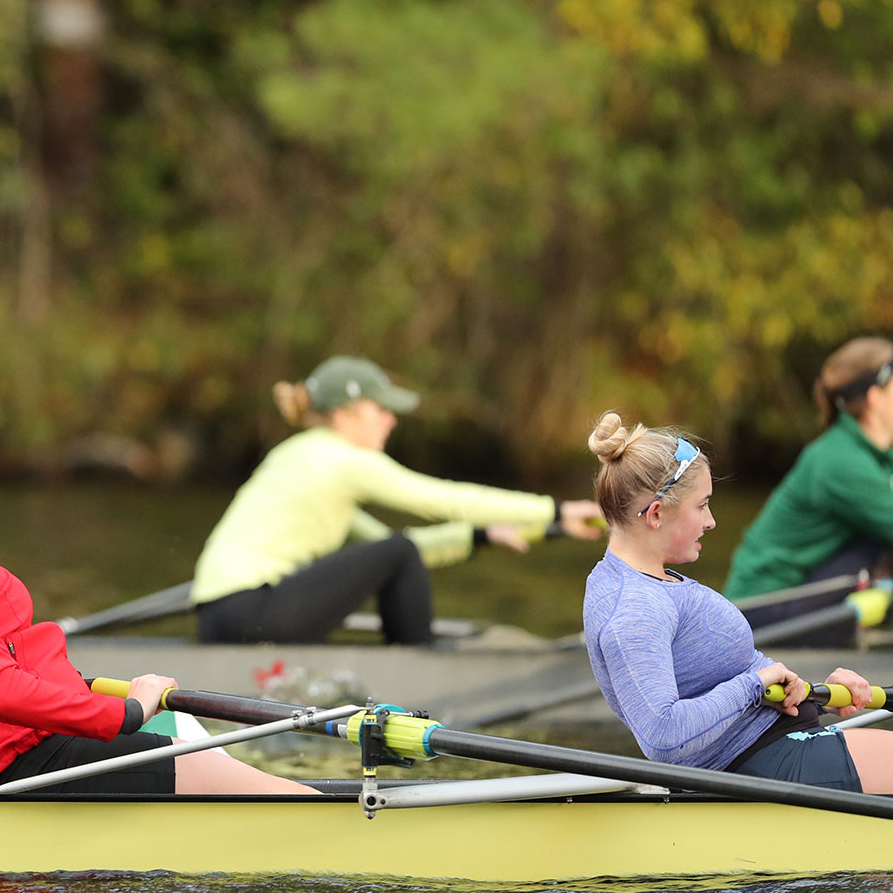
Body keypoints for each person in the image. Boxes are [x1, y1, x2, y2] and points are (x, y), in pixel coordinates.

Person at [0, 372, 311, 796]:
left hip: (16, 752)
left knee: (180, 729)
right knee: (297, 801)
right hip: (30, 758)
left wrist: (52, 687)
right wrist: (128, 712)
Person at [191, 356, 603, 645]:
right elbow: (445, 500)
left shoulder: (297, 455)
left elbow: (397, 549)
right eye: (380, 409)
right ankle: (418, 668)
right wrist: (557, 509)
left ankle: (410, 662)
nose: (391, 419)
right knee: (398, 550)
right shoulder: (343, 460)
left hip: (218, 616)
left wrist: (481, 536)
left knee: (397, 551)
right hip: (255, 611)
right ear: (344, 414)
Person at [582, 411, 893, 792]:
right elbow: (663, 737)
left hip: (780, 742)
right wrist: (754, 685)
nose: (711, 521)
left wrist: (819, 696)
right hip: (764, 761)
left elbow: (723, 684)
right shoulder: (633, 608)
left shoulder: (645, 578)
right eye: (702, 506)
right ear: (657, 513)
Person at [725, 337, 893, 646]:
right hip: (762, 612)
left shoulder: (874, 454)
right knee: (878, 541)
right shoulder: (839, 460)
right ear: (875, 398)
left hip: (802, 596)